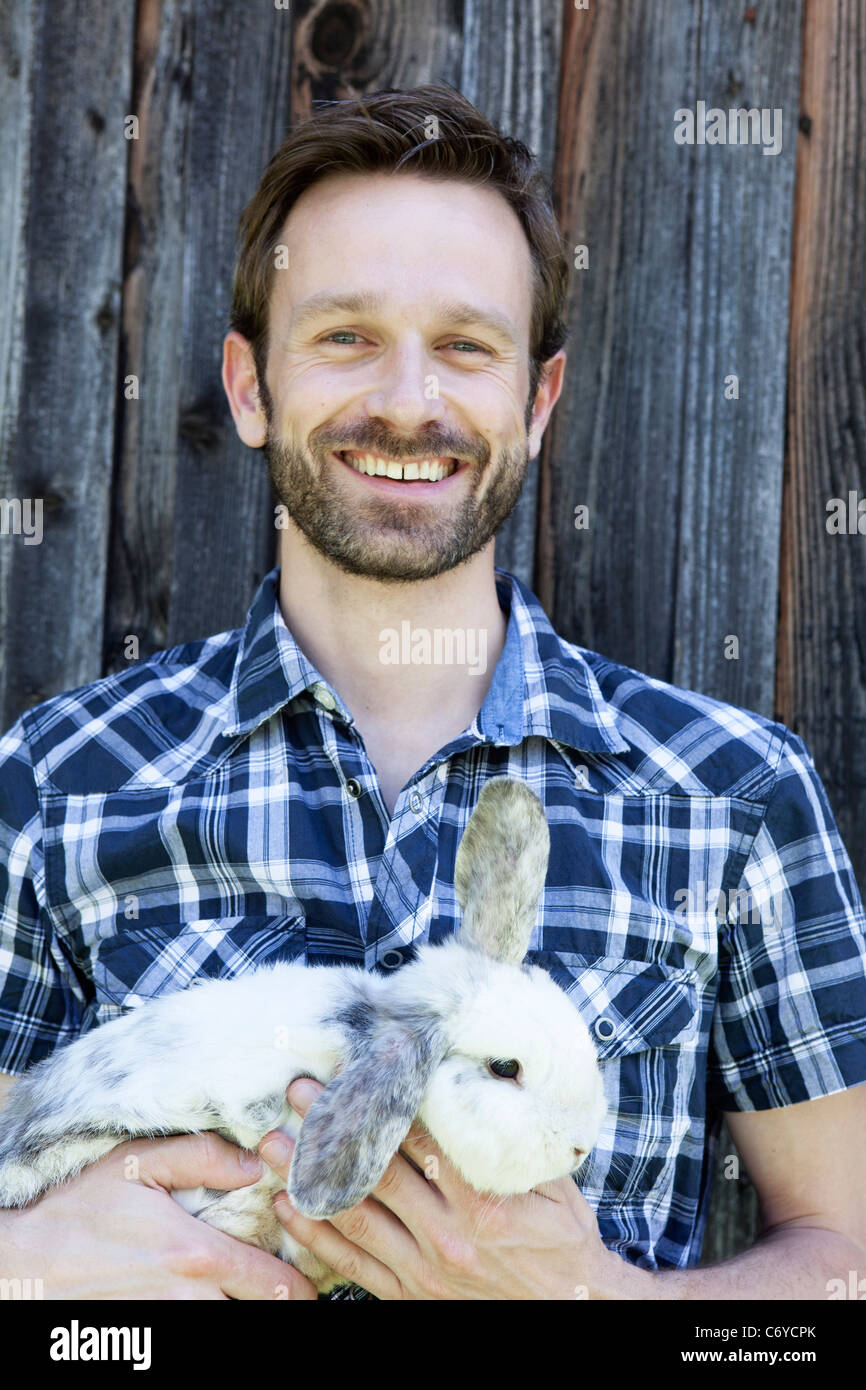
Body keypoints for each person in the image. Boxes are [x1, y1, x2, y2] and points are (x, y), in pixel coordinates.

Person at [1, 84, 864, 1301]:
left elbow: (844, 1272)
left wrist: (606, 1305)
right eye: (345, 335)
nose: (408, 400)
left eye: (465, 346)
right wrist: (29, 1277)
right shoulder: (56, 783)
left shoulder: (735, 798)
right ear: (249, 388)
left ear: (536, 399)